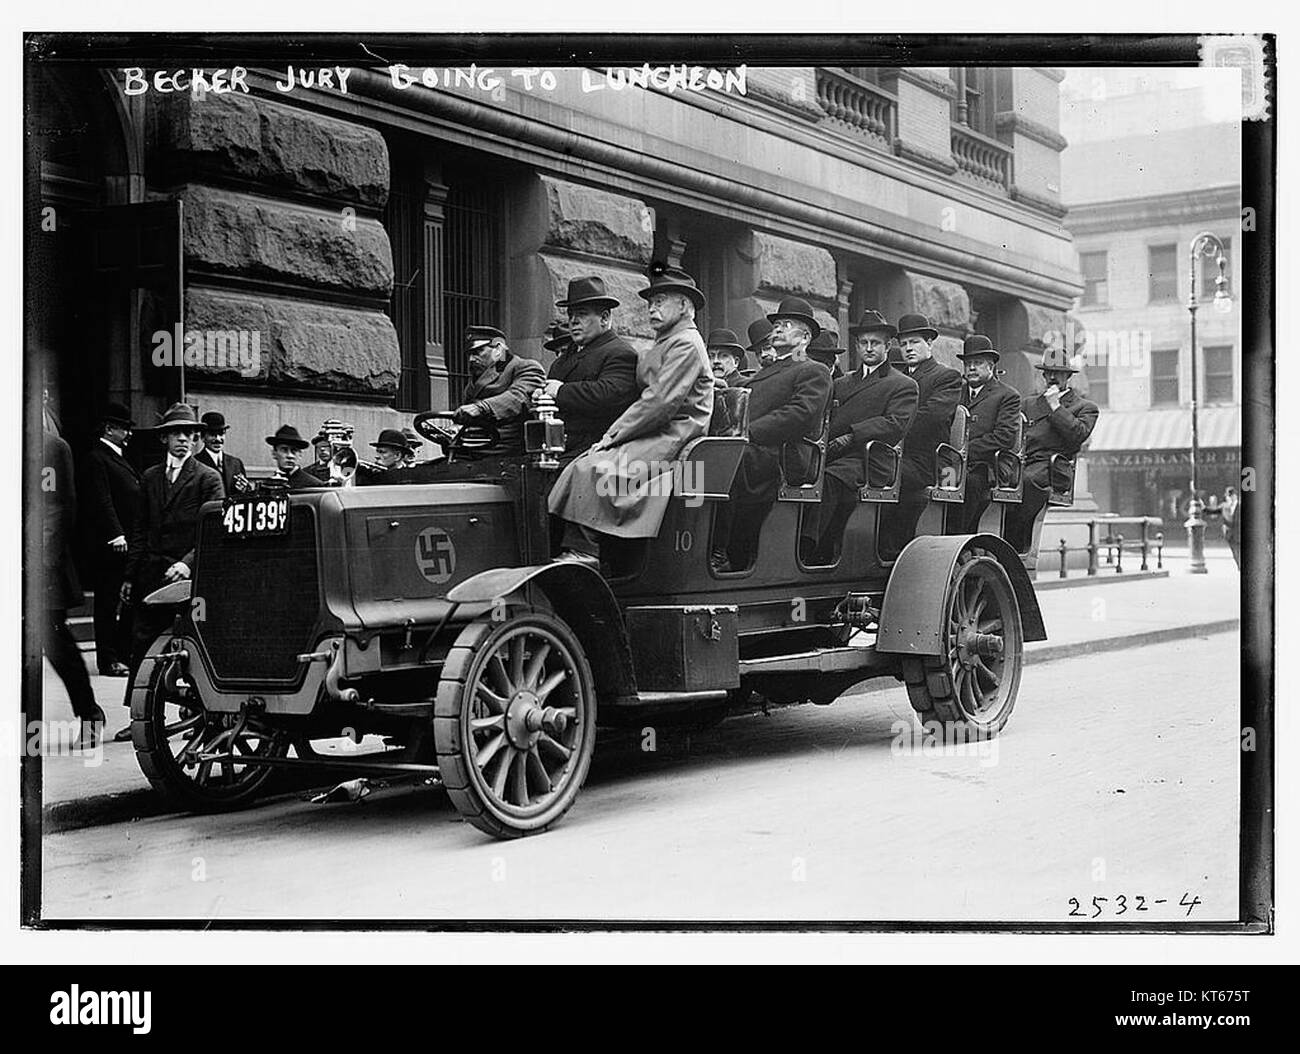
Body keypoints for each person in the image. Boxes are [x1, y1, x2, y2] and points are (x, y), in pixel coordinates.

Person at [548, 265, 713, 567]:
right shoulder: (666, 341)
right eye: (651, 303)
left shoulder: (686, 343)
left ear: (684, 306)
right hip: (656, 430)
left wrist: (612, 436)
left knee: (594, 468)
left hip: (675, 435)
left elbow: (659, 403)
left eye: (660, 301)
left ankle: (586, 552)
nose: (652, 309)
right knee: (584, 464)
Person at [118, 404, 224, 739]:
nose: (184, 440)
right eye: (177, 434)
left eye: (190, 435)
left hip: (191, 578)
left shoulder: (208, 477)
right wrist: (129, 576)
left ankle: (200, 713)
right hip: (151, 574)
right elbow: (140, 529)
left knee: (194, 645)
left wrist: (186, 563)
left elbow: (215, 530)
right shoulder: (150, 477)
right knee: (143, 644)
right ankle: (138, 717)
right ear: (164, 438)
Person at [712, 295, 832, 572]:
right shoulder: (760, 374)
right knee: (698, 457)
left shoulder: (813, 370)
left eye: (786, 324)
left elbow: (800, 415)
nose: (777, 329)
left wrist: (748, 433)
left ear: (804, 337)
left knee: (726, 461)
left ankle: (720, 550)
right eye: (776, 324)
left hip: (786, 455)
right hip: (754, 448)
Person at [804, 311, 917, 564]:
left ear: (888, 346)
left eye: (875, 343)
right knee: (800, 472)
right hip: (834, 454)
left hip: (872, 458)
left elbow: (895, 424)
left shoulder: (903, 384)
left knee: (830, 479)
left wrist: (851, 436)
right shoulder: (841, 383)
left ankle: (809, 548)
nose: (868, 348)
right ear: (856, 346)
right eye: (863, 343)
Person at [878, 313, 963, 558]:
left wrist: (888, 429)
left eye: (914, 342)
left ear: (929, 344)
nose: (908, 349)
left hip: (927, 460)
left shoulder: (946, 377)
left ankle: (894, 547)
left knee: (886, 472)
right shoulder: (895, 378)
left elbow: (930, 417)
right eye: (903, 344)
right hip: (895, 454)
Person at [44, 416, 106, 744]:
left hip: (40, 567)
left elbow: (59, 508)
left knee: (57, 646)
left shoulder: (51, 447)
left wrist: (35, 561)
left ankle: (89, 712)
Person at [1004, 341, 1099, 551]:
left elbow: (1077, 436)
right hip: (1024, 462)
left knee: (1027, 482)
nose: (1053, 378)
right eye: (1048, 373)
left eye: (1058, 373)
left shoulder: (1084, 407)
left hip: (1053, 467)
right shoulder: (1028, 404)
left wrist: (1055, 406)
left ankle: (1017, 544)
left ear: (1068, 376)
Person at [536, 276, 640, 460]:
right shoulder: (562, 360)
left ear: (605, 317)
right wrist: (539, 397)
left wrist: (560, 391)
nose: (573, 321)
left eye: (582, 314)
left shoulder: (620, 353)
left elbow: (609, 394)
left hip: (596, 451)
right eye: (570, 315)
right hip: (557, 449)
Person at [77, 402, 140, 677]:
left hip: (128, 542)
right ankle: (108, 658)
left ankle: (121, 653)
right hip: (112, 545)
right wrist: (116, 534)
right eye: (124, 428)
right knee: (107, 602)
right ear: (109, 429)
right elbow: (102, 501)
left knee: (125, 599)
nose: (128, 433)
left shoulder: (119, 457)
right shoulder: (97, 458)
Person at [957, 335, 1022, 532]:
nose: (972, 368)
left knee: (969, 484)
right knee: (941, 485)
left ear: (991, 366)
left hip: (989, 466)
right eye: (968, 364)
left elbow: (1004, 437)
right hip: (957, 464)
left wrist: (964, 451)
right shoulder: (956, 393)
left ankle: (961, 536)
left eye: (978, 363)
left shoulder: (1006, 395)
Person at [452, 325, 546, 454]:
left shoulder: (525, 367)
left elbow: (519, 397)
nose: (471, 359)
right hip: (473, 446)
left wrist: (483, 407)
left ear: (498, 348)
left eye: (478, 352)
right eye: (469, 354)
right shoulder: (476, 379)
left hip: (504, 449)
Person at [195, 411, 251, 495]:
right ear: (202, 437)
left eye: (221, 433)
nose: (218, 439)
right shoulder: (195, 463)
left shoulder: (236, 464)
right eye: (212, 434)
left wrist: (244, 490)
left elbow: (246, 497)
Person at [265, 424, 321, 489]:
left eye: (294, 451)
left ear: (300, 454)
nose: (290, 456)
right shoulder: (268, 484)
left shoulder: (314, 485)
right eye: (284, 450)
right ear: (274, 454)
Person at [1221, 485, 1241, 569]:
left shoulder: (1240, 505)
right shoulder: (1226, 506)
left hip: (1239, 532)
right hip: (1230, 534)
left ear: (1235, 496)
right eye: (1228, 496)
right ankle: (1239, 566)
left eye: (1231, 496)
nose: (1229, 498)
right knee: (1234, 552)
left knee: (1240, 551)